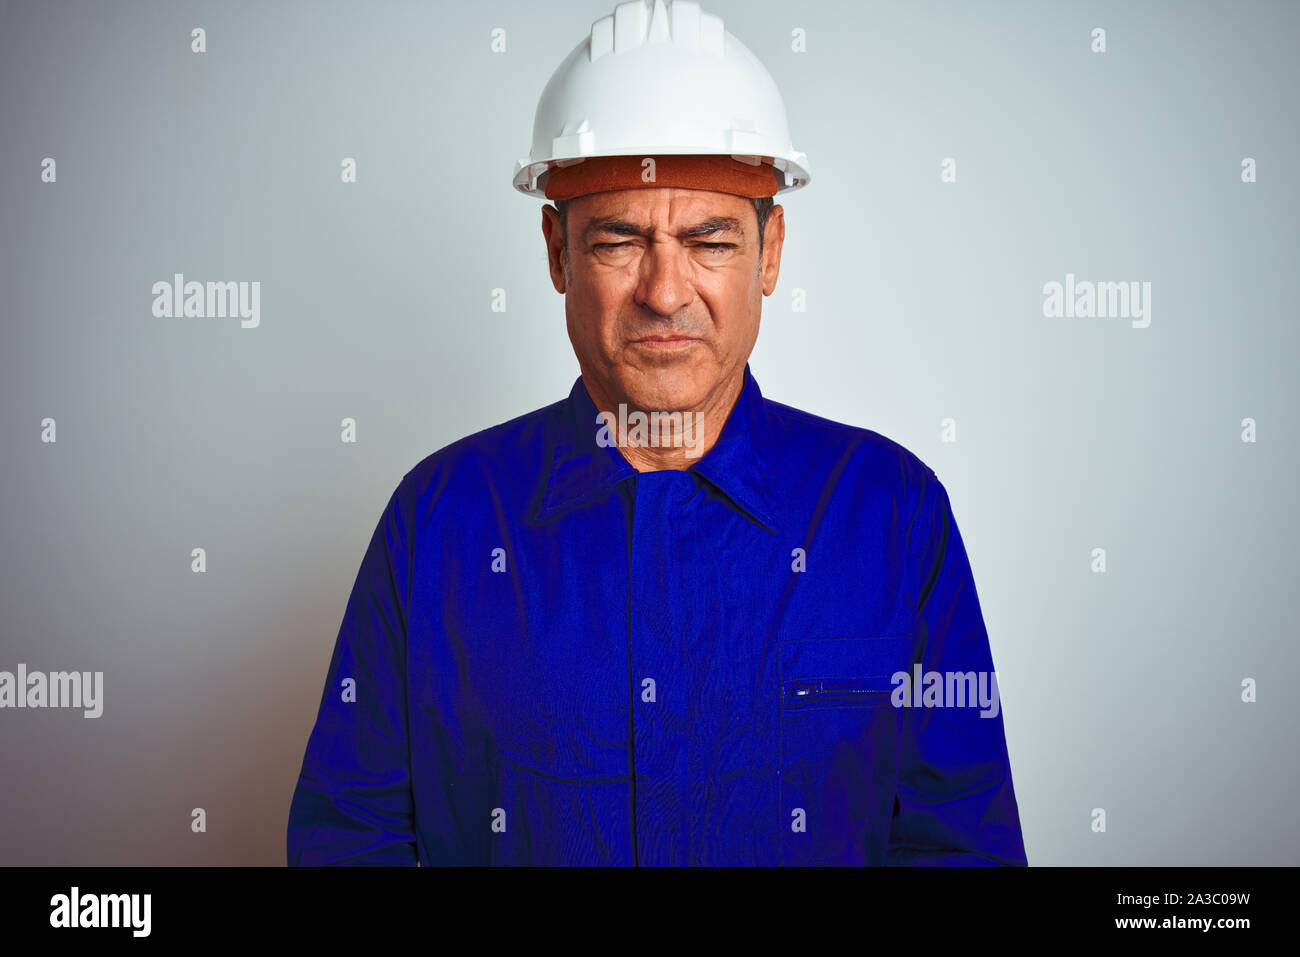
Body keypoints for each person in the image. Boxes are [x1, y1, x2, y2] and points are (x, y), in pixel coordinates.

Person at [287, 0, 1027, 866]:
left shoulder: (892, 516)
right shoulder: (438, 525)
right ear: (558, 253)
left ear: (771, 249)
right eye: (619, 240)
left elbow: (959, 845)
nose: (666, 291)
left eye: (709, 239)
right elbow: (350, 840)